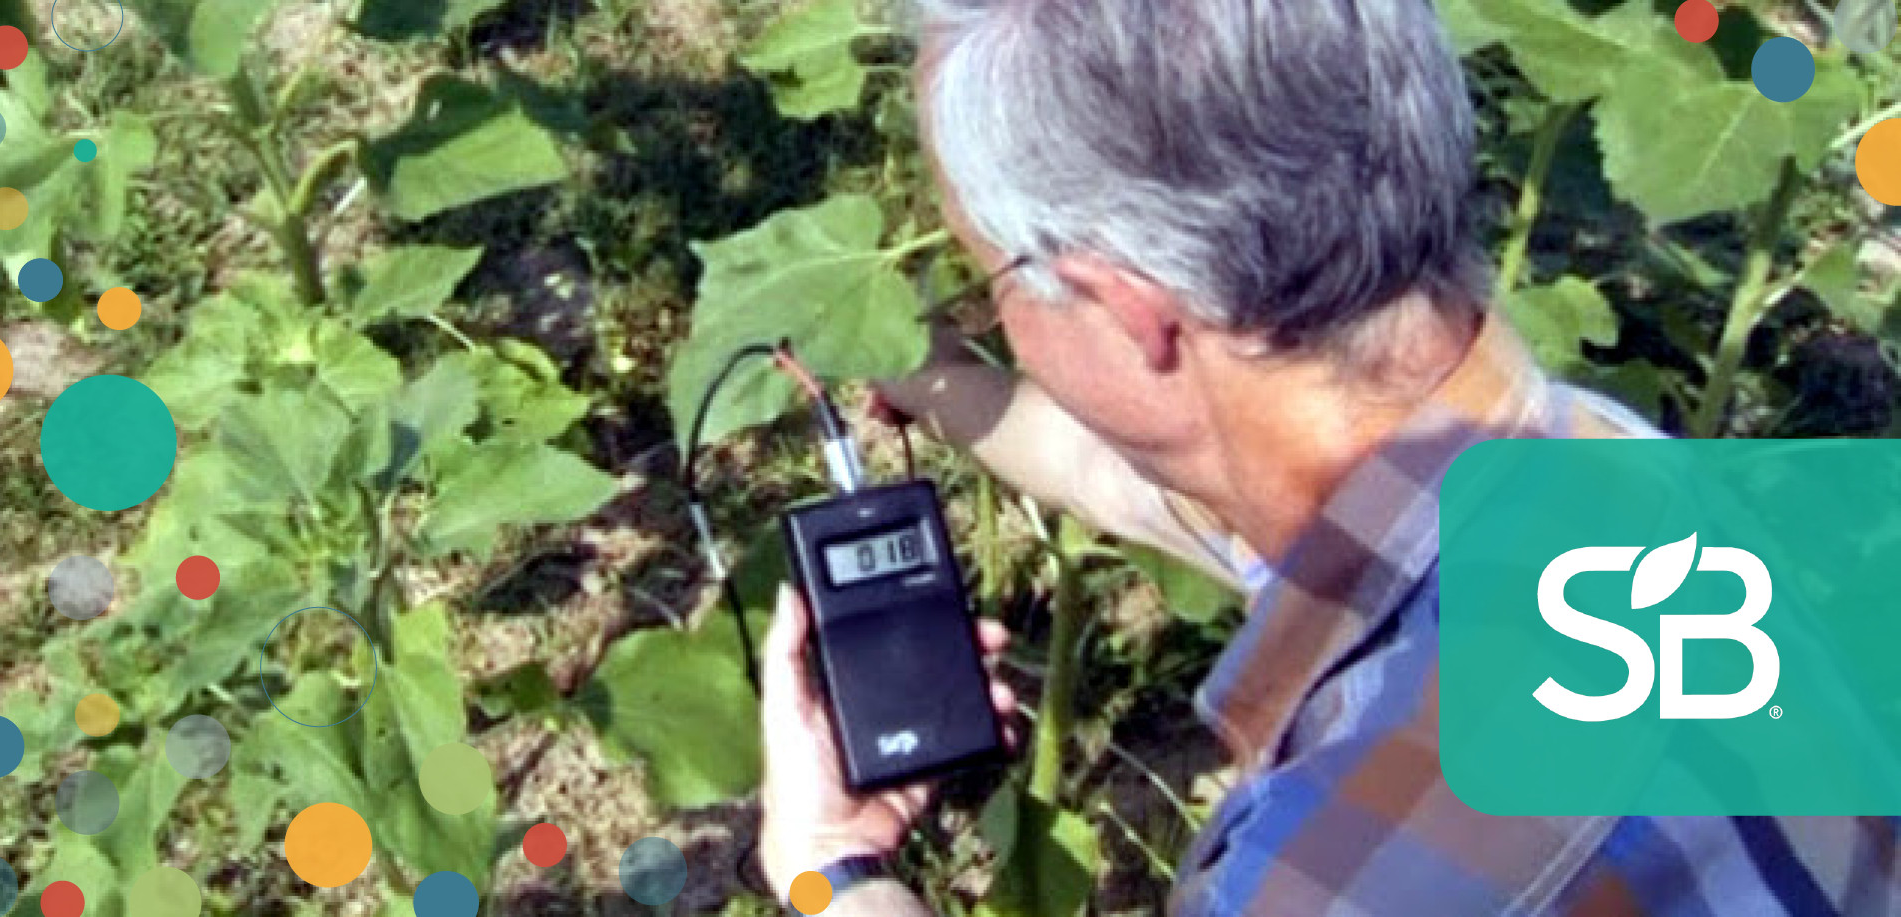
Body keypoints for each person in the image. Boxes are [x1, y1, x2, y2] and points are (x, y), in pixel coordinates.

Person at [754, 0, 1901, 914]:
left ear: (1128, 308)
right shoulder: (1595, 464)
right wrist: (930, 371)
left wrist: (829, 870)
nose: (995, 314)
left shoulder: (1329, 871)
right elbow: (1143, 488)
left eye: (992, 278)